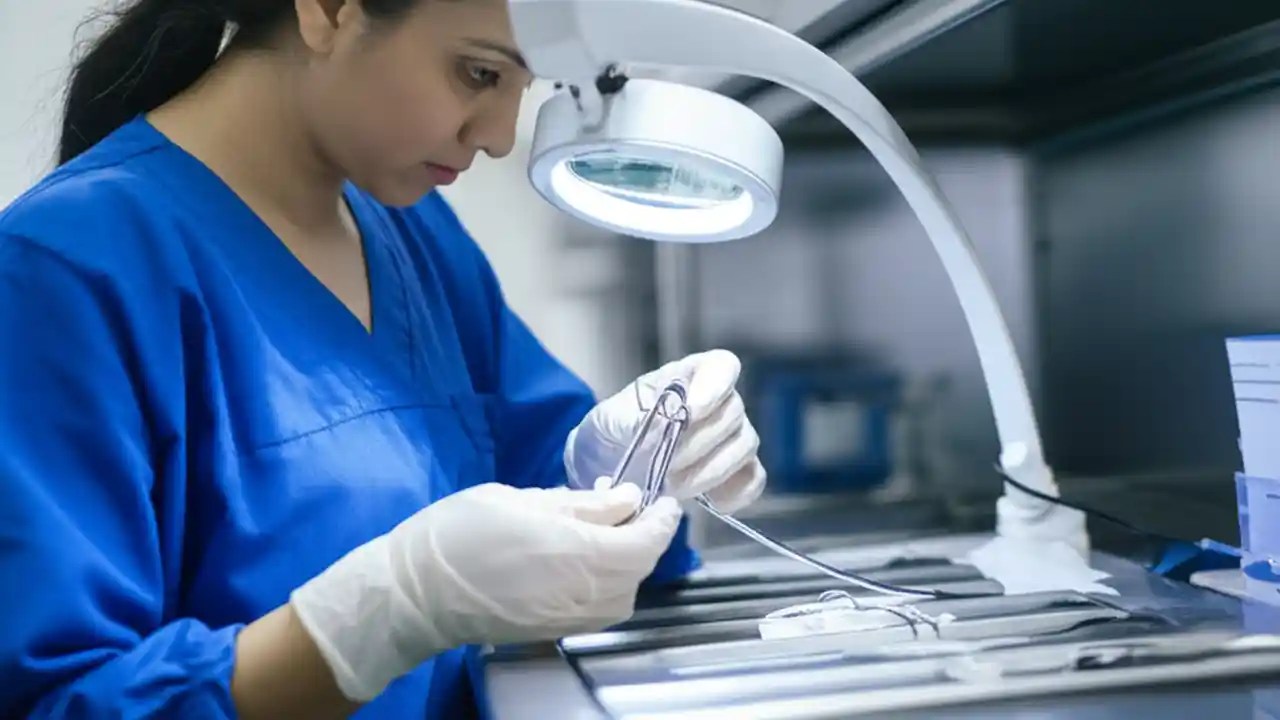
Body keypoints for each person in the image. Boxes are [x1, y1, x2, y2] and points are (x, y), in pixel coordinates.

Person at [0, 0, 768, 717]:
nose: (500, 135)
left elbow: (540, 497)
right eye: (479, 73)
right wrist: (387, 611)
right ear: (329, 10)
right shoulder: (66, 268)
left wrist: (635, 468)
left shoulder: (414, 235)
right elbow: (64, 697)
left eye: (525, 87)